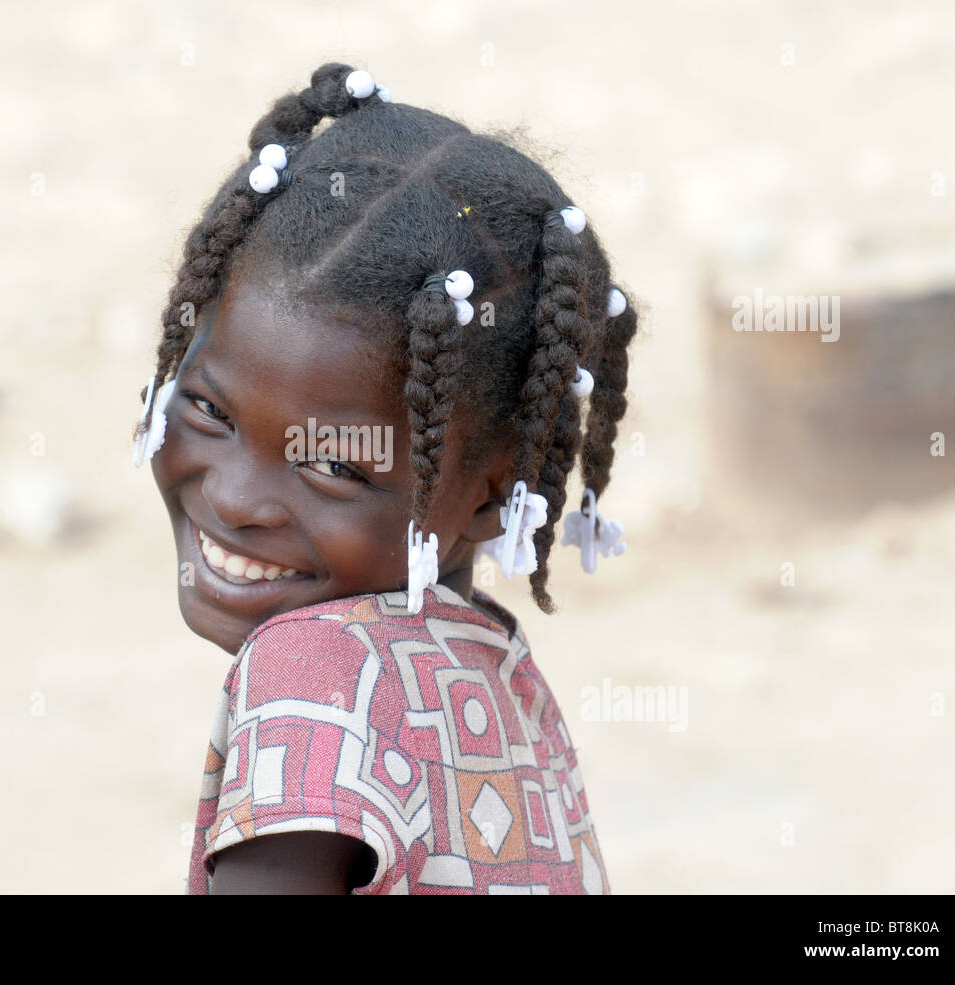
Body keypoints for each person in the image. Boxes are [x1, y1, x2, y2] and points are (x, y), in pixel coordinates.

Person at [133, 62, 638, 894]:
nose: (232, 497)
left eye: (332, 464)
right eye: (211, 412)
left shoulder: (310, 674)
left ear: (486, 495)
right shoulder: (498, 678)